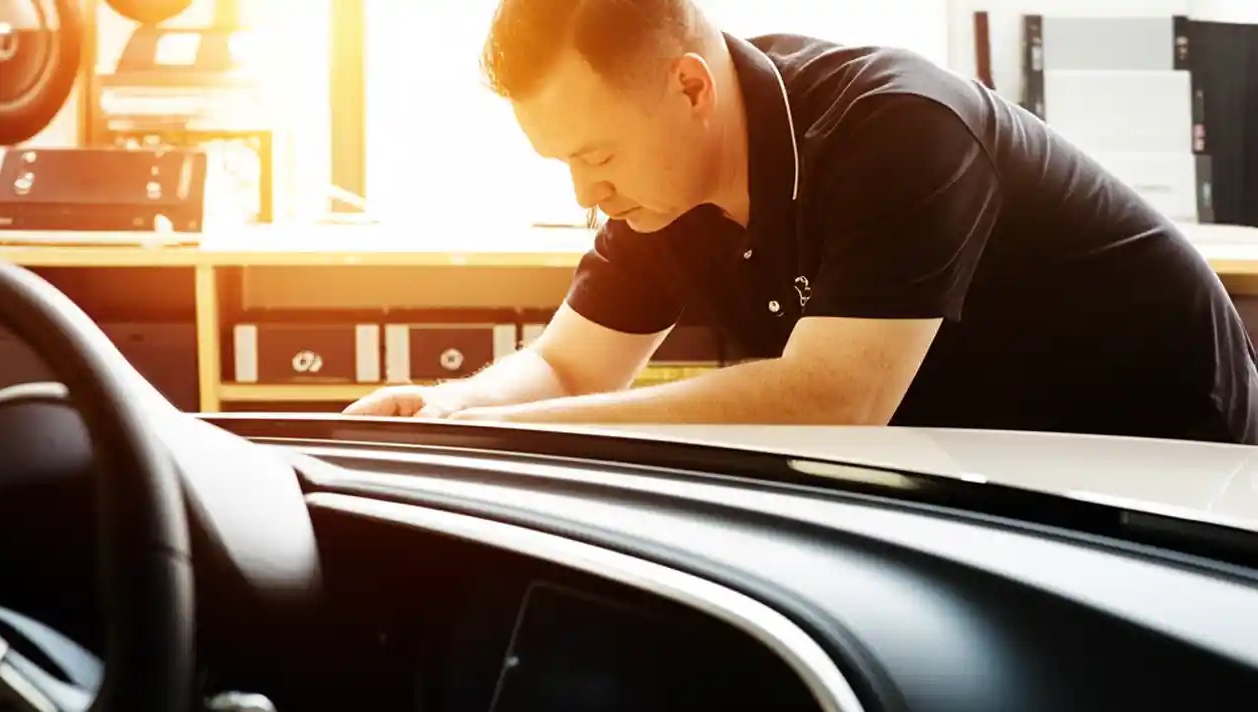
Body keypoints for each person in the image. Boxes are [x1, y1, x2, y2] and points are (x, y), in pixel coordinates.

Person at [345, 0, 1258, 444]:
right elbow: (566, 364)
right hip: (1000, 459)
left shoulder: (899, 128)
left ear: (691, 87)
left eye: (599, 154)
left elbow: (833, 402)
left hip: (1174, 459)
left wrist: (539, 434)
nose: (589, 193)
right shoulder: (663, 191)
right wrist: (450, 408)